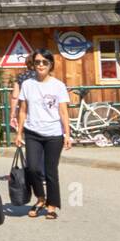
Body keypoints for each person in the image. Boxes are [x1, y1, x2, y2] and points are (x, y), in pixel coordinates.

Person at [15, 48, 71, 220]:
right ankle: (40, 199)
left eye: (44, 62)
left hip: (54, 134)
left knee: (50, 171)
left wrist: (67, 134)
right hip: (33, 132)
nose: (40, 65)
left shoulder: (58, 85)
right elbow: (23, 110)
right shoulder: (27, 85)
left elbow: (63, 112)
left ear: (50, 65)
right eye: (37, 62)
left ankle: (52, 205)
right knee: (32, 168)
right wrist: (19, 133)